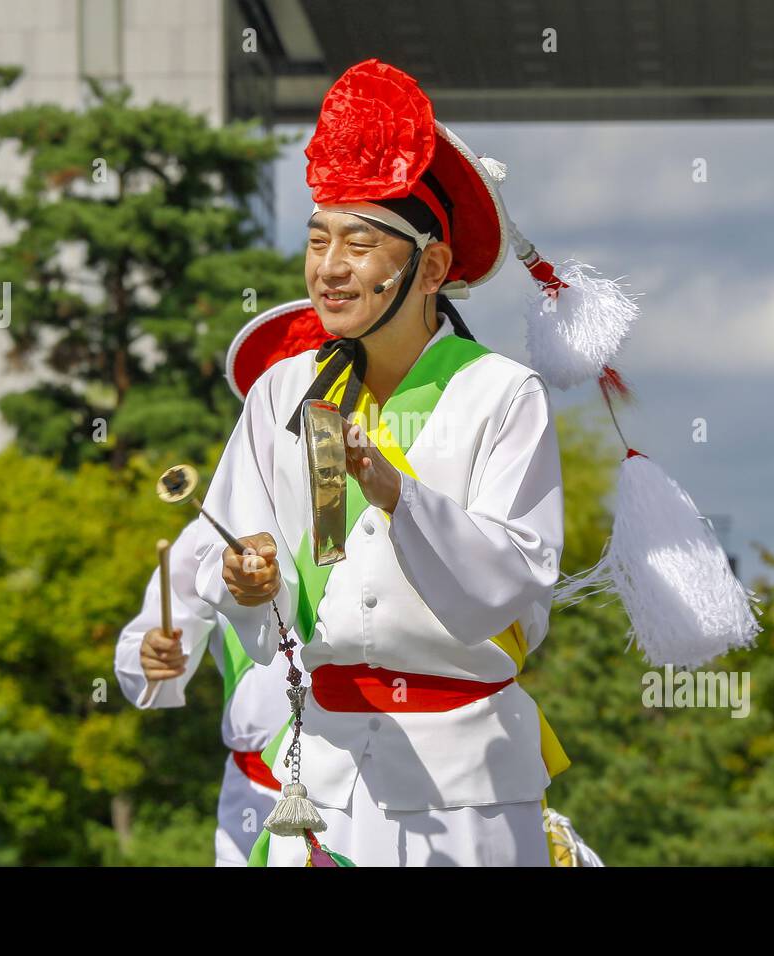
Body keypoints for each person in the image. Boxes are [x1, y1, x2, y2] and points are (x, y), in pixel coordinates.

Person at [191, 59, 570, 867]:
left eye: (360, 244)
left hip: (466, 780)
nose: (330, 266)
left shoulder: (502, 395)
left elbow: (517, 577)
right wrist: (248, 580)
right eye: (318, 240)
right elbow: (238, 555)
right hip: (318, 769)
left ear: (431, 269)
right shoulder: (286, 392)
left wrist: (399, 495)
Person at [114, 300, 330, 865]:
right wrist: (152, 657)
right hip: (256, 799)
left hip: (382, 785)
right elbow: (155, 644)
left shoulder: (386, 510)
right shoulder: (204, 540)